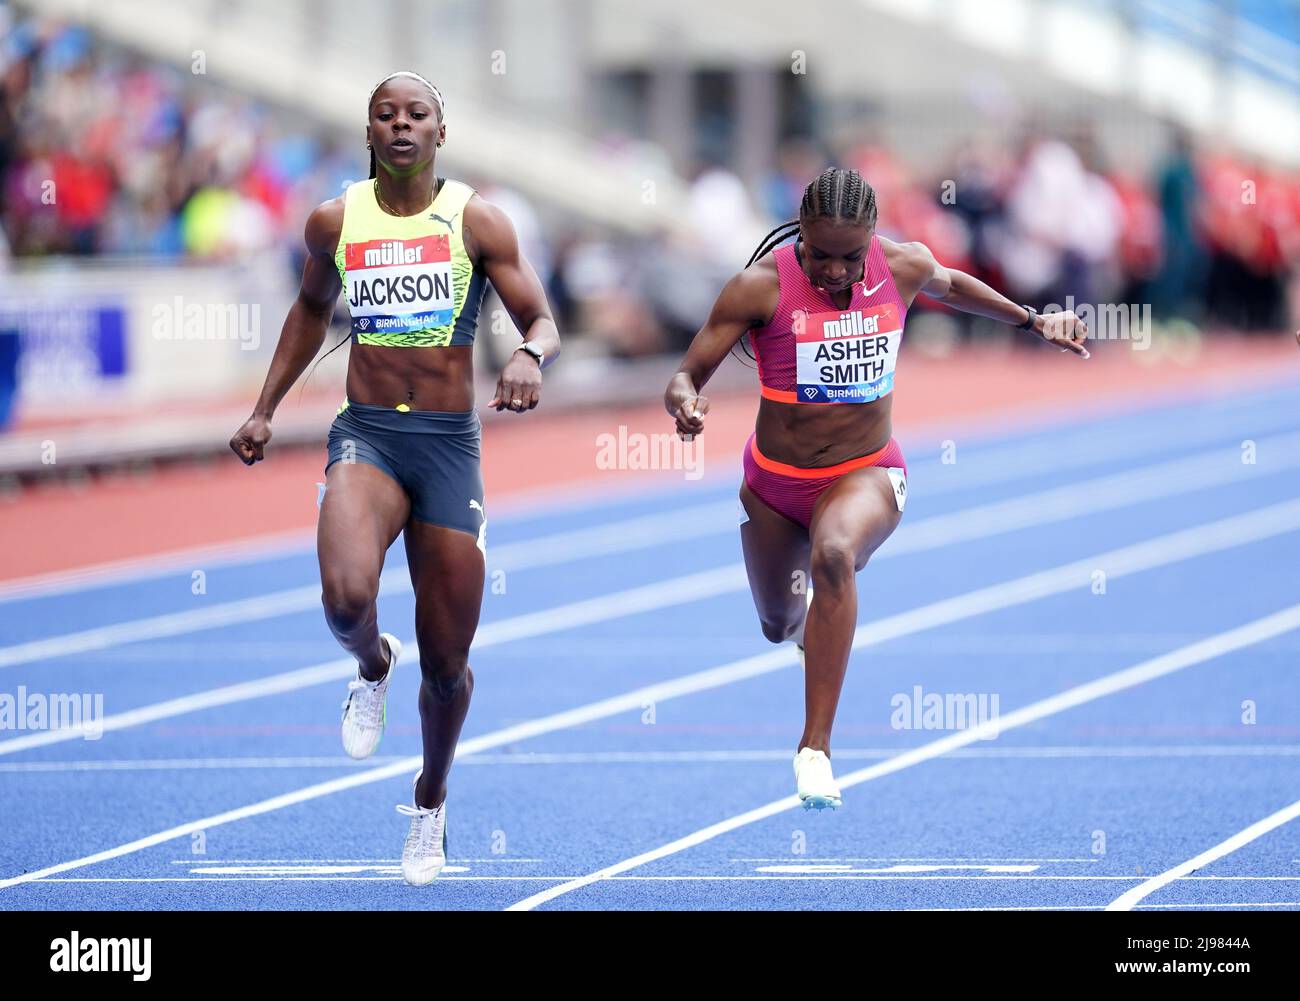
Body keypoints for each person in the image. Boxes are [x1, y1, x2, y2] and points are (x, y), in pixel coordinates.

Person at [664, 167, 1087, 809]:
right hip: (774, 487)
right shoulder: (758, 287)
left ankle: (815, 751)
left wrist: (1031, 321)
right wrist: (686, 403)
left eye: (850, 257)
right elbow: (685, 374)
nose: (834, 272)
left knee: (833, 555)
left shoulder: (903, 265)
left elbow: (956, 286)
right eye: (820, 255)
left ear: (872, 238)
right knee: (777, 624)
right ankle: (805, 631)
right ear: (799, 234)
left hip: (868, 472)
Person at [229, 71, 560, 884]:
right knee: (344, 599)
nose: (402, 125)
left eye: (417, 114)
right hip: (367, 437)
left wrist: (525, 354)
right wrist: (265, 405)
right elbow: (311, 310)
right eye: (387, 115)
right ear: (368, 131)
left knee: (447, 664)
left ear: (440, 133)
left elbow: (545, 320)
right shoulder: (336, 220)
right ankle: (373, 665)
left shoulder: (476, 219)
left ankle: (431, 799)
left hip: (448, 448)